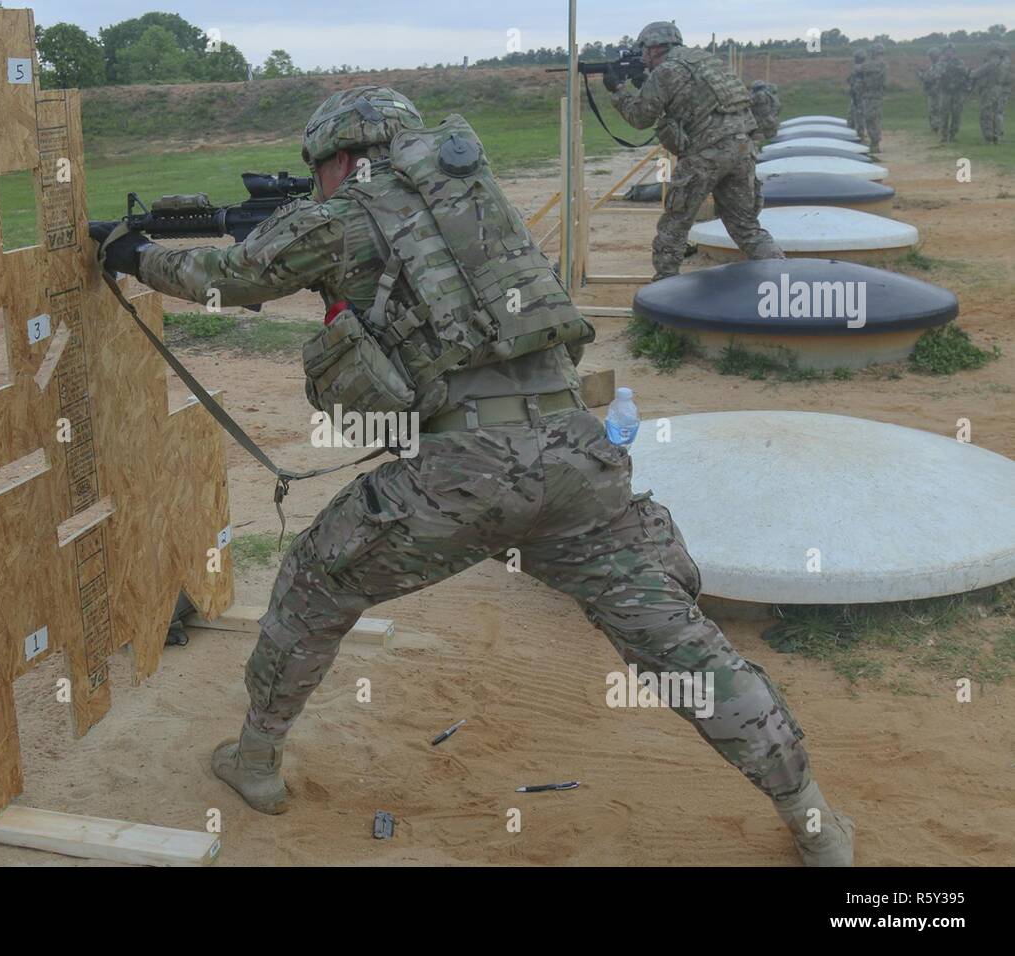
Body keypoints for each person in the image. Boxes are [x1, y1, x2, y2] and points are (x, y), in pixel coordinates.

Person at [91, 82, 854, 866]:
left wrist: (134, 256)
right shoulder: (480, 207)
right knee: (686, 650)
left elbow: (234, 275)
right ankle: (812, 816)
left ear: (344, 155)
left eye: (322, 167)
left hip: (462, 476)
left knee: (317, 579)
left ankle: (253, 761)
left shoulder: (348, 211)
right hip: (579, 462)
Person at [605, 21, 784, 280]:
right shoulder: (708, 62)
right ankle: (782, 276)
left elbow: (640, 118)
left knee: (674, 227)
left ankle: (664, 292)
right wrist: (645, 81)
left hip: (705, 155)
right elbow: (689, 94)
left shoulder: (666, 71)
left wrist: (618, 91)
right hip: (742, 149)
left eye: (643, 49)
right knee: (746, 227)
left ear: (655, 48)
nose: (642, 55)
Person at [971, 42, 1011, 145]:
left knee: (986, 113)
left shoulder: (993, 61)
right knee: (997, 113)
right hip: (999, 90)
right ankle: (997, 137)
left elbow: (977, 73)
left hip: (989, 90)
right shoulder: (1005, 61)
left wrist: (971, 72)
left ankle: (988, 138)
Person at [937, 43, 972, 143]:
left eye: (951, 51)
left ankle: (953, 135)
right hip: (945, 92)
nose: (949, 53)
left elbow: (966, 72)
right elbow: (938, 73)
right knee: (944, 114)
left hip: (957, 92)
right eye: (947, 51)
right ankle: (943, 135)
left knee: (956, 114)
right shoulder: (941, 62)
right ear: (944, 52)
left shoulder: (960, 62)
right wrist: (947, 65)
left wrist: (957, 66)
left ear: (954, 52)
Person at [861, 42, 888, 150]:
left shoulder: (882, 65)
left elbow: (867, 69)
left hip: (875, 95)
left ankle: (875, 142)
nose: (879, 55)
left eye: (881, 53)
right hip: (867, 94)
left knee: (872, 118)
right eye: (878, 53)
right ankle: (874, 141)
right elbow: (863, 70)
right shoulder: (871, 65)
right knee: (869, 118)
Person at [918, 46, 943, 135]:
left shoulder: (939, 66)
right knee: (932, 111)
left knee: (937, 111)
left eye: (931, 56)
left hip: (937, 92)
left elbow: (930, 78)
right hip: (932, 92)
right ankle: (935, 128)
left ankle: (939, 128)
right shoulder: (933, 66)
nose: (930, 58)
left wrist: (921, 75)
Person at [749, 79, 781, 146]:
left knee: (758, 139)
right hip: (770, 120)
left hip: (762, 121)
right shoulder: (769, 95)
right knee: (772, 141)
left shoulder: (758, 95)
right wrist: (773, 115)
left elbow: (749, 103)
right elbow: (777, 106)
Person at [848, 50, 867, 140]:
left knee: (858, 114)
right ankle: (857, 132)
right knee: (857, 114)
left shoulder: (860, 68)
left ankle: (859, 133)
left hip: (859, 95)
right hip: (857, 94)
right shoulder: (862, 68)